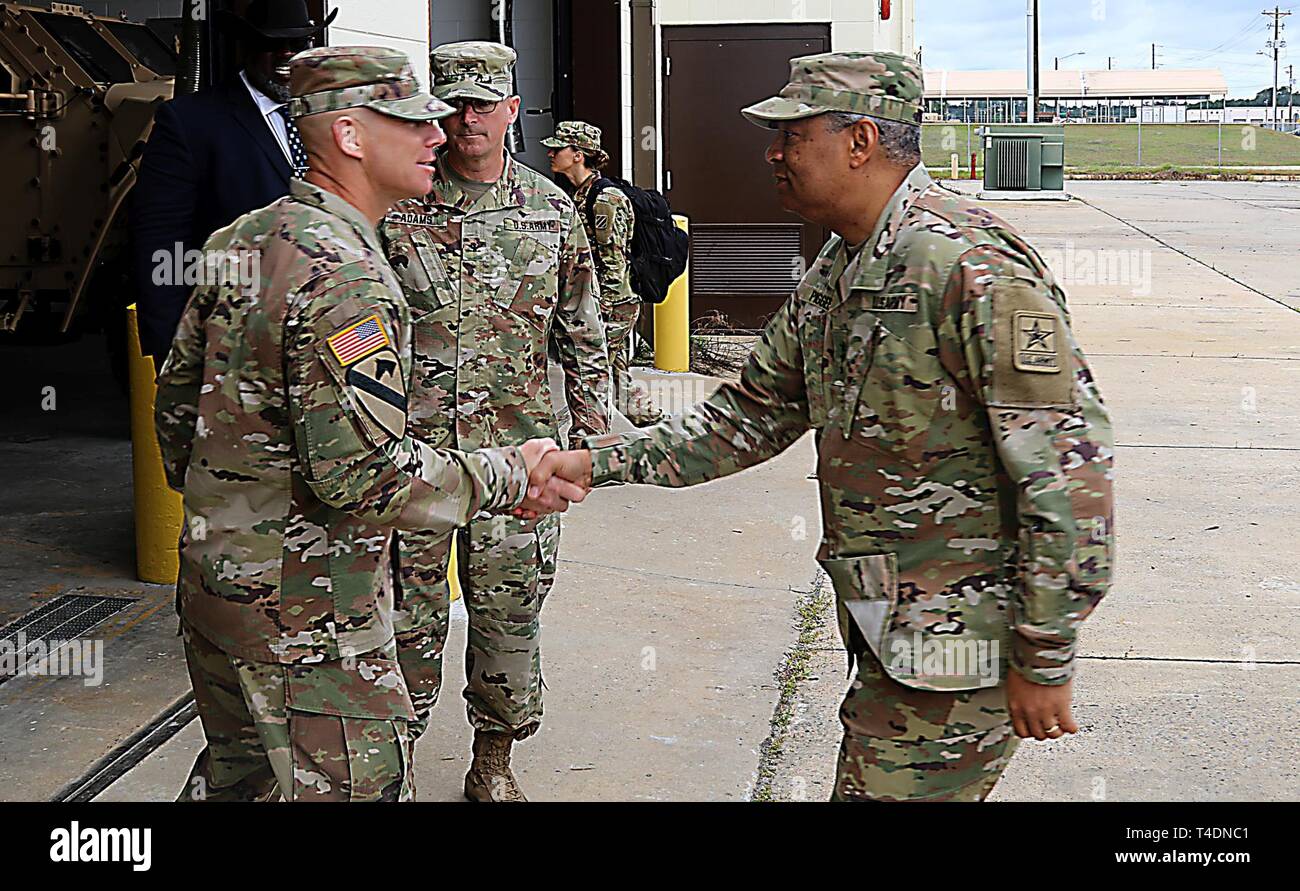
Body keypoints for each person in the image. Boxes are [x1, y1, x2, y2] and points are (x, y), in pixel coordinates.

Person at [531, 51, 1115, 802]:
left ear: (860, 141)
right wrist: (595, 461)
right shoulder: (842, 268)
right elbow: (750, 413)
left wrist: (1044, 650)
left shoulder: (967, 266)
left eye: (791, 135)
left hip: (959, 640)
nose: (773, 153)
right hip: (885, 622)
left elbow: (1071, 471)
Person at [154, 46, 585, 802]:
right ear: (351, 136)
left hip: (219, 588)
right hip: (308, 610)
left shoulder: (243, 238)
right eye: (411, 122)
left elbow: (177, 411)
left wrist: (234, 521)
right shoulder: (347, 274)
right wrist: (516, 472)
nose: (436, 135)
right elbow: (365, 475)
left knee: (241, 781)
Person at [378, 41, 609, 802]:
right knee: (402, 618)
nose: (468, 117)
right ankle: (395, 763)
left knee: (509, 616)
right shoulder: (396, 207)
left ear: (514, 109)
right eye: (455, 103)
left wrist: (594, 439)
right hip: (412, 462)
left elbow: (582, 332)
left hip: (518, 460)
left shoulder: (550, 211)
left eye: (484, 102)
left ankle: (493, 760)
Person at [131, 0, 334, 361]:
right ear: (247, 47)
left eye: (298, 44)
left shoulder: (331, 114)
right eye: (273, 44)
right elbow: (162, 243)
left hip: (327, 334)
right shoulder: (192, 123)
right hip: (238, 342)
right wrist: (172, 351)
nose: (286, 56)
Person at [545, 121, 663, 426]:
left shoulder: (605, 200)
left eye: (558, 148)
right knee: (614, 367)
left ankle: (597, 433)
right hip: (600, 299)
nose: (550, 153)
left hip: (613, 301)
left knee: (591, 368)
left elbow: (614, 262)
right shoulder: (579, 195)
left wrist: (604, 310)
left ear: (578, 155)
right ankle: (648, 417)